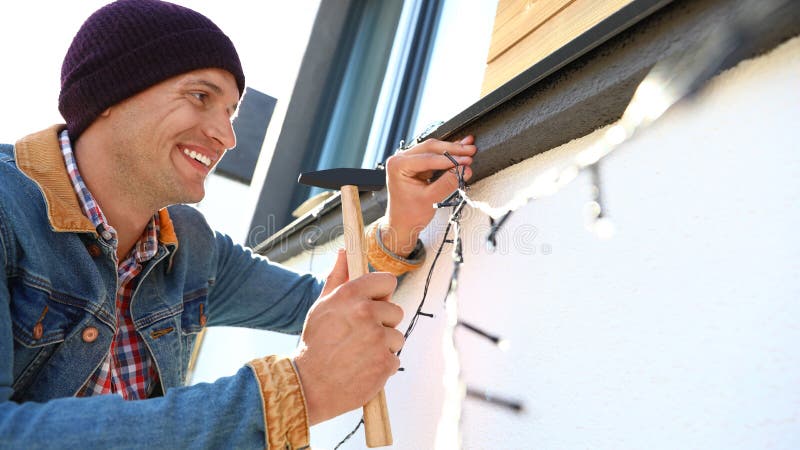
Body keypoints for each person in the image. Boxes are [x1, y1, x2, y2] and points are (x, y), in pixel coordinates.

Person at [0, 0, 477, 448]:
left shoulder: (190, 246)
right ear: (110, 93)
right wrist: (291, 394)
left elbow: (325, 306)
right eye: (201, 96)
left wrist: (399, 227)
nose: (226, 136)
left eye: (230, 111)